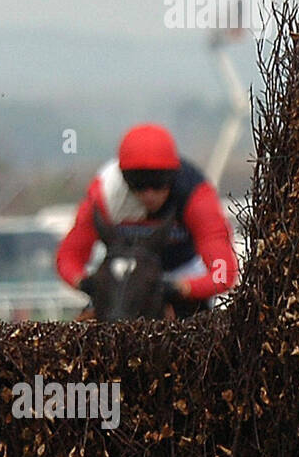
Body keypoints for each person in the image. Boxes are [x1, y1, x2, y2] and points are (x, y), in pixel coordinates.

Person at [56, 123, 238, 316]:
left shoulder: (197, 196)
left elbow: (223, 273)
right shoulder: (104, 193)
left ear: (173, 176)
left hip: (180, 274)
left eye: (159, 183)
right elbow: (69, 256)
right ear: (124, 179)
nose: (149, 195)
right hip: (120, 285)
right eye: (138, 184)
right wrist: (87, 283)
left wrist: (180, 288)